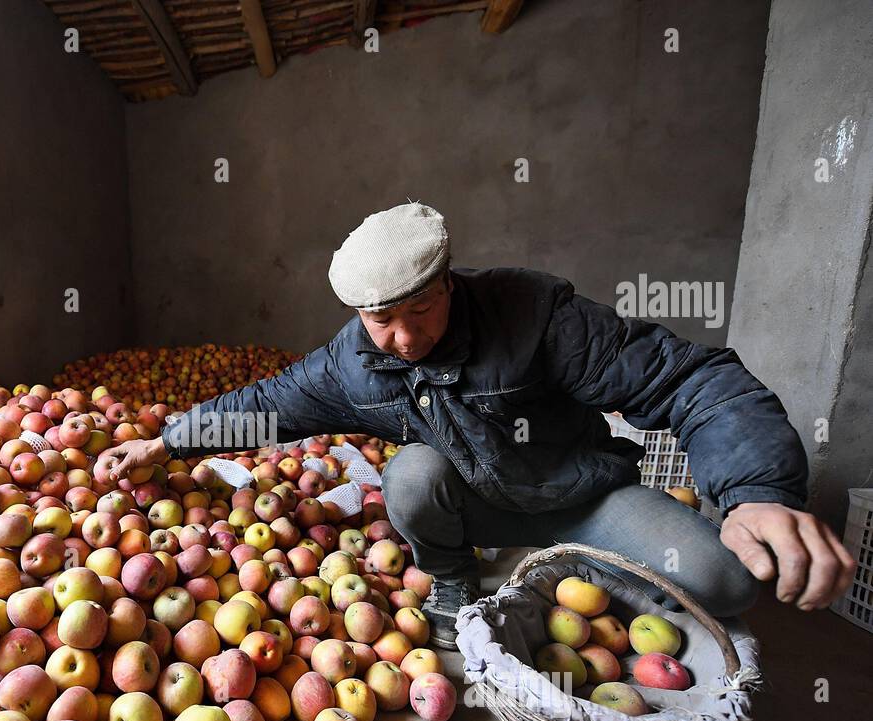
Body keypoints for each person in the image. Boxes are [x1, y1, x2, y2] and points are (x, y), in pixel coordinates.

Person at [101, 202, 855, 648]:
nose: (401, 337)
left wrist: (757, 490)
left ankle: (578, 566)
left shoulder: (535, 316)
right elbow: (264, 405)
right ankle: (457, 582)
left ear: (449, 281)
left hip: (583, 493)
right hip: (482, 507)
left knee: (726, 582)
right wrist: (166, 440)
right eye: (380, 320)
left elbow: (688, 377)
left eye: (420, 309)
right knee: (412, 473)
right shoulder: (349, 364)